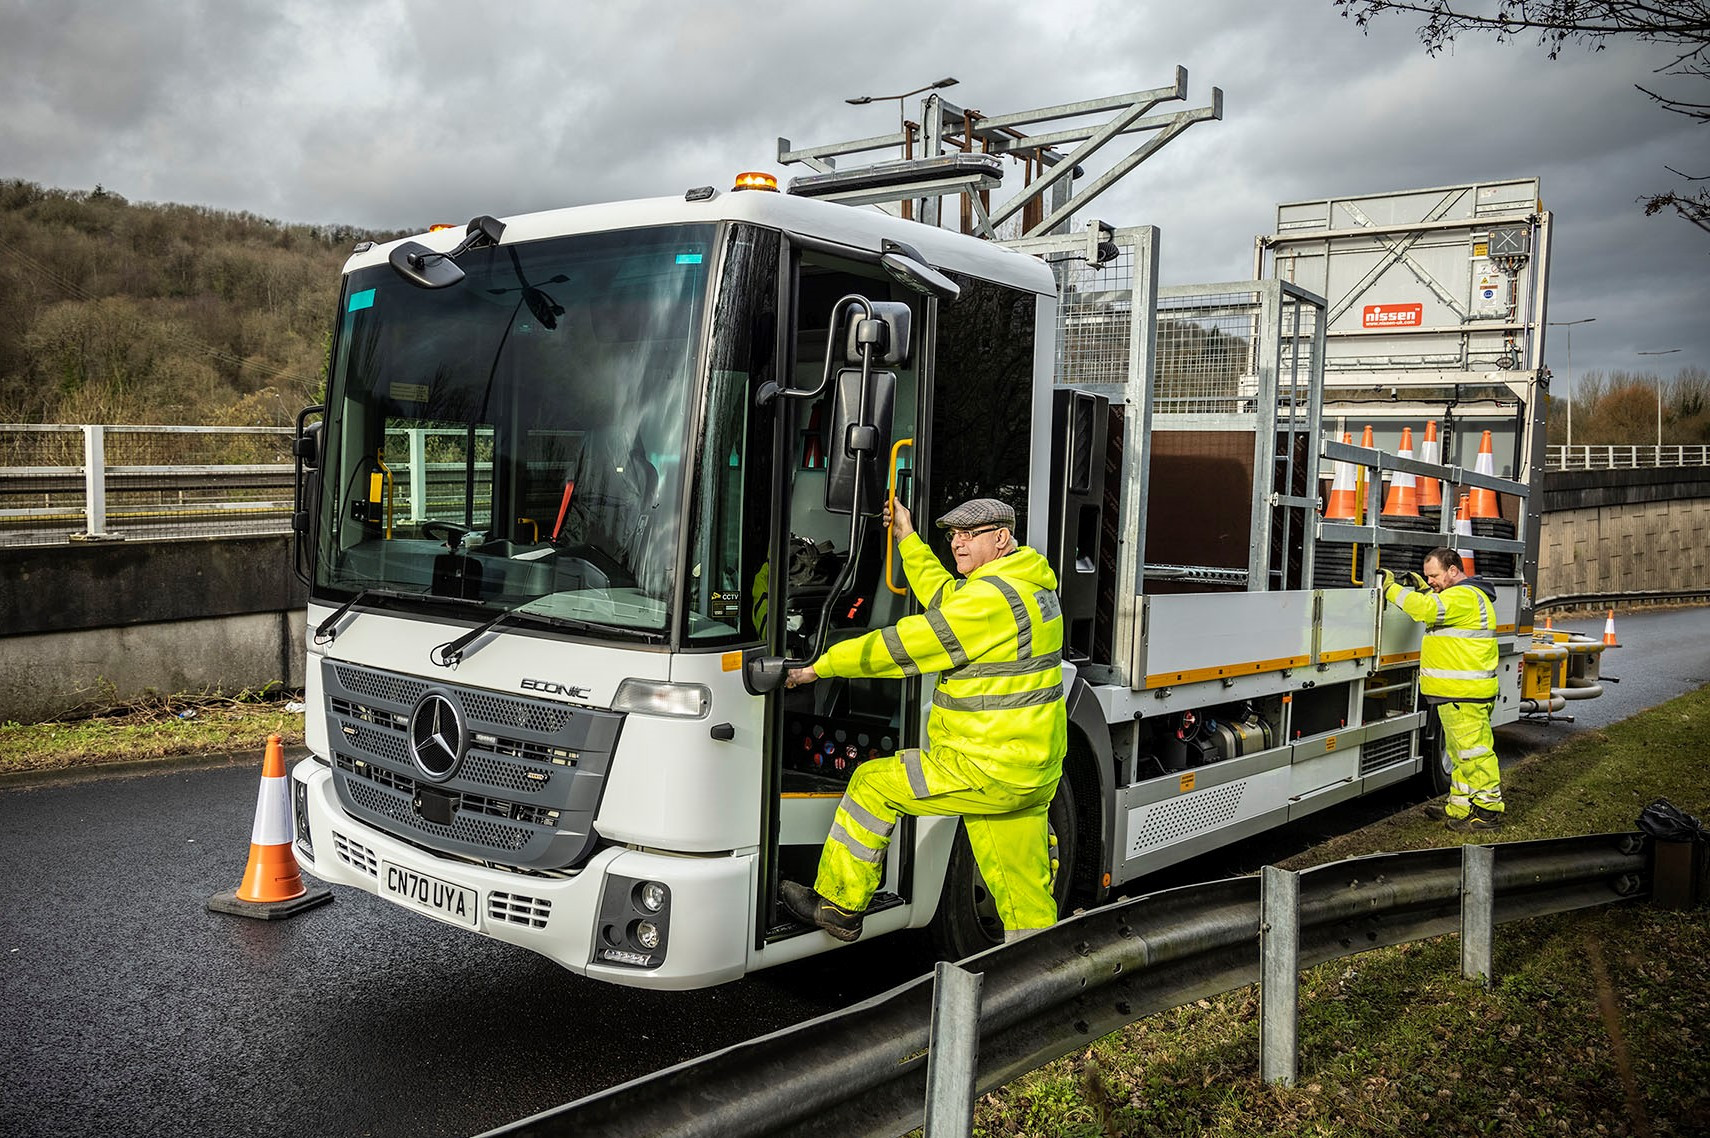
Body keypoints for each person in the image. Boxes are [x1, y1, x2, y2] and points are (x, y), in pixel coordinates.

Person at [778, 496, 1068, 943]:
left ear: (1001, 538)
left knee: (872, 785)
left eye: (969, 535)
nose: (957, 543)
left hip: (984, 766)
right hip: (1029, 768)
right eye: (953, 535)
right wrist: (907, 537)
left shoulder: (990, 600)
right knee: (1025, 899)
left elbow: (904, 647)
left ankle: (839, 905)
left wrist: (820, 665)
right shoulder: (1027, 584)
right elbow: (944, 596)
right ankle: (1037, 973)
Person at [1381, 547, 1505, 833]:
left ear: (1453, 570)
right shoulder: (1462, 597)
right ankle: (1460, 807)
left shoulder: (1463, 596)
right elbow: (1437, 608)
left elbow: (1425, 610)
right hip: (1460, 693)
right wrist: (1428, 590)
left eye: (1434, 575)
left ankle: (1487, 812)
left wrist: (1390, 589)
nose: (1431, 581)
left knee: (1474, 754)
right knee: (1461, 754)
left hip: (1464, 694)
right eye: (1428, 577)